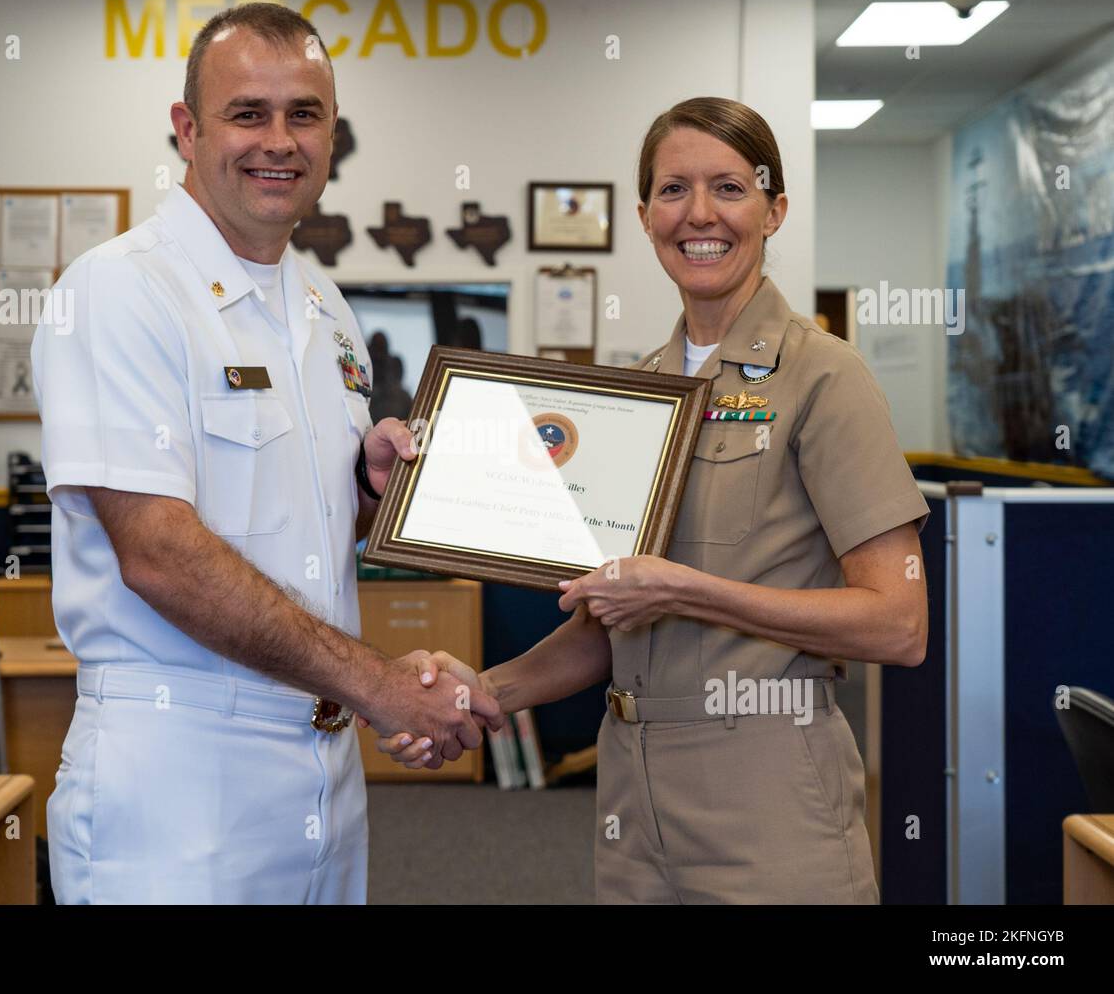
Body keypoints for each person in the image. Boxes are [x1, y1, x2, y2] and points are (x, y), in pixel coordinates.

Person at [372, 97, 930, 904]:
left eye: (729, 188)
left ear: (774, 210)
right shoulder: (639, 392)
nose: (699, 214)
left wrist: (686, 589)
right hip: (631, 796)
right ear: (643, 215)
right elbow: (609, 629)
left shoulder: (825, 377)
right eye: (673, 191)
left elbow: (899, 623)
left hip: (770, 788)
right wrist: (478, 695)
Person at [32, 3, 500, 905]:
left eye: (306, 114)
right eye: (248, 112)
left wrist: (369, 492)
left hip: (322, 767)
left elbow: (302, 532)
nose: (278, 141)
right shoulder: (117, 292)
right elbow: (159, 555)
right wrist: (380, 684)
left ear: (333, 134)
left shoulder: (325, 308)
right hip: (179, 780)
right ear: (186, 129)